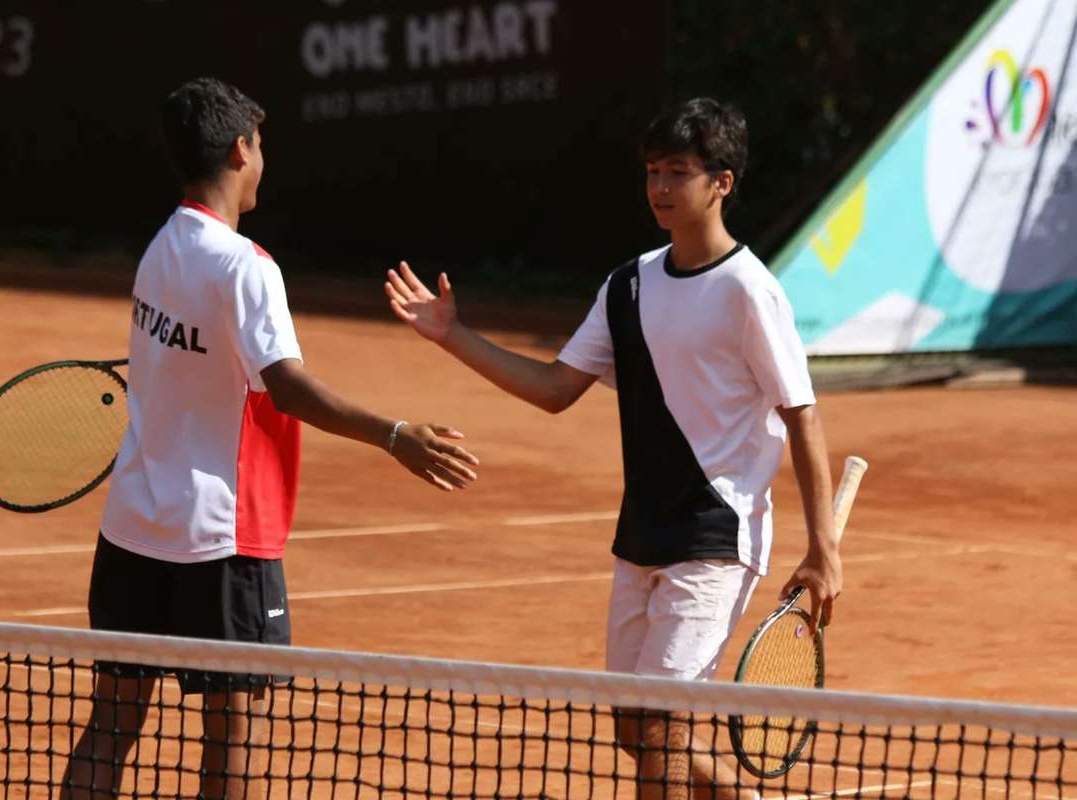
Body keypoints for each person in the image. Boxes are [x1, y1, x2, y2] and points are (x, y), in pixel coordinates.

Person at [384, 97, 841, 799]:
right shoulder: (627, 284)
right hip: (642, 535)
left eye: (678, 172)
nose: (660, 187)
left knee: (661, 726)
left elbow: (801, 415)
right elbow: (554, 386)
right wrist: (453, 334)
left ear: (721, 181)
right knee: (635, 726)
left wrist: (823, 552)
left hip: (717, 536)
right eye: (653, 171)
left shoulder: (750, 291)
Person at [60, 77, 480, 800]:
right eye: (262, 145)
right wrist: (395, 434)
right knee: (235, 733)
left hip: (133, 528)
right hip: (225, 538)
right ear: (239, 150)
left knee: (113, 722)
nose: (265, 158)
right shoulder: (245, 267)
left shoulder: (161, 247)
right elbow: (285, 385)